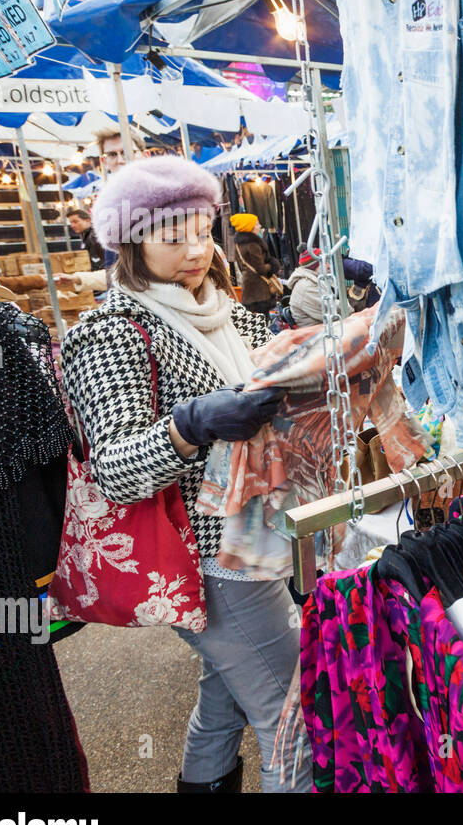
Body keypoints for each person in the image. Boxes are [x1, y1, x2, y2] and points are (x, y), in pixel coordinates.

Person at [61, 156, 308, 792]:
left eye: (203, 231)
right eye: (173, 238)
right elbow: (115, 468)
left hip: (253, 536)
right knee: (291, 717)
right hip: (205, 557)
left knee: (229, 694)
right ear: (130, 241)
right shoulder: (110, 331)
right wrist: (189, 425)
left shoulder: (229, 313)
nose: (196, 251)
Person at [230, 213, 282, 315]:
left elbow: (242, 267)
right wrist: (273, 265)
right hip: (259, 288)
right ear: (250, 227)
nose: (260, 226)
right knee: (263, 316)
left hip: (248, 285)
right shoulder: (253, 244)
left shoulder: (238, 243)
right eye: (257, 224)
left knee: (254, 317)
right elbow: (260, 268)